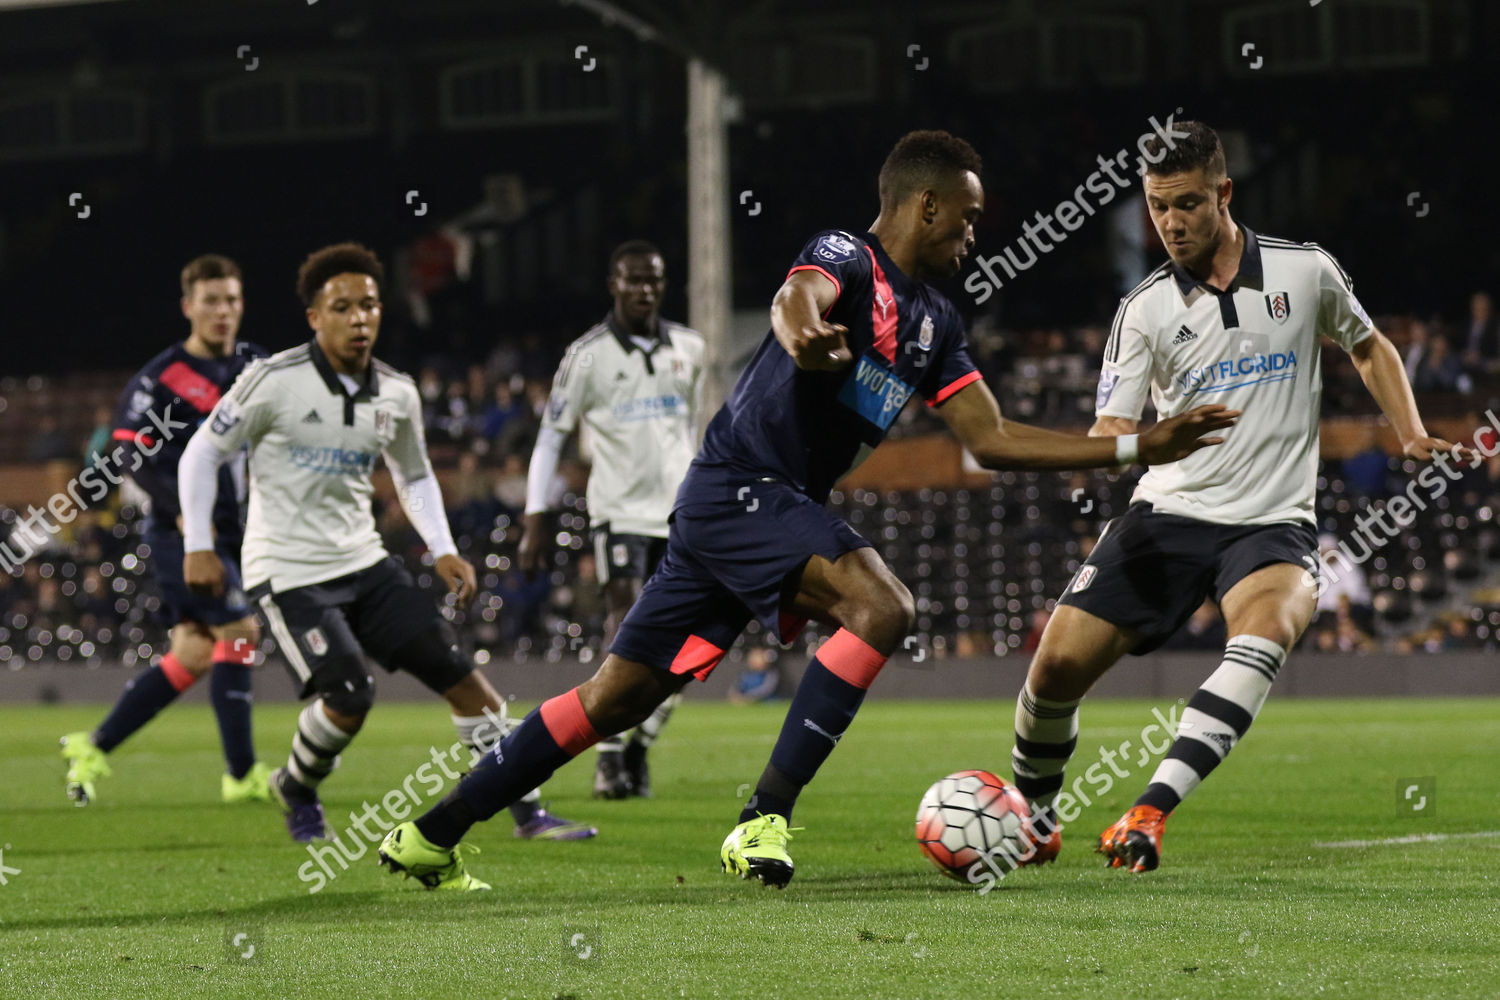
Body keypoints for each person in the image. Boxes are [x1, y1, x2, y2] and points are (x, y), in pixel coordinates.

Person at [373, 129, 1236, 891]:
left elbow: (992, 438)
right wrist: (801, 331)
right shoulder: (846, 256)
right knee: (883, 605)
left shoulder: (936, 322)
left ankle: (429, 833)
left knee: (611, 700)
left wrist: (1136, 446)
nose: (976, 238)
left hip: (743, 507)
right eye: (968, 220)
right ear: (925, 207)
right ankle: (762, 816)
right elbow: (799, 297)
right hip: (743, 485)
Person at [1008, 121, 1472, 874]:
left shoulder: (1305, 271)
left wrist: (1411, 431)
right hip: (1166, 513)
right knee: (1053, 672)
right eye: (1158, 207)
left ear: (1224, 193)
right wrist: (1111, 449)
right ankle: (1034, 815)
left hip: (1271, 523)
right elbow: (1115, 425)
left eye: (1187, 203)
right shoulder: (1144, 309)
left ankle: (1149, 811)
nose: (1171, 223)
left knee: (1267, 633)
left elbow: (1368, 344)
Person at [177, 242, 593, 853]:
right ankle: (298, 785)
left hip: (365, 563)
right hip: (288, 571)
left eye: (368, 305)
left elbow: (415, 474)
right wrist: (197, 542)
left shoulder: (396, 393)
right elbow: (202, 452)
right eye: (342, 307)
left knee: (466, 682)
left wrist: (441, 547)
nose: (359, 317)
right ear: (315, 317)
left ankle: (528, 811)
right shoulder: (271, 381)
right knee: (349, 696)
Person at [60, 254, 269, 806]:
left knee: (195, 653)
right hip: (182, 532)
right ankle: (242, 774)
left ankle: (94, 744)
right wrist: (183, 512)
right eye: (211, 301)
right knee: (240, 633)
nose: (223, 311)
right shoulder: (161, 379)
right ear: (188, 307)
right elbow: (131, 455)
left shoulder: (256, 363)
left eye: (231, 300)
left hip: (236, 528)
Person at [518, 240, 705, 799]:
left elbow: (691, 431)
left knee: (691, 646)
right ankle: (605, 754)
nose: (645, 290)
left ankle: (638, 744)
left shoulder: (690, 349)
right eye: (633, 281)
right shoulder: (587, 356)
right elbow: (551, 438)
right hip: (618, 513)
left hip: (680, 515)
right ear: (613, 285)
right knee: (628, 630)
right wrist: (535, 515)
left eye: (654, 280)